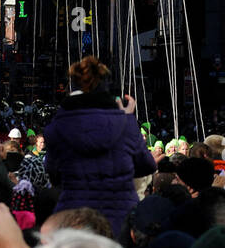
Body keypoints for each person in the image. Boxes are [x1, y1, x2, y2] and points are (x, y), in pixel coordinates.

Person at [43, 56, 155, 237]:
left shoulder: (57, 127)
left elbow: (53, 172)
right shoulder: (125, 123)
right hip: (120, 220)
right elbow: (147, 166)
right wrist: (127, 118)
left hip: (74, 217)